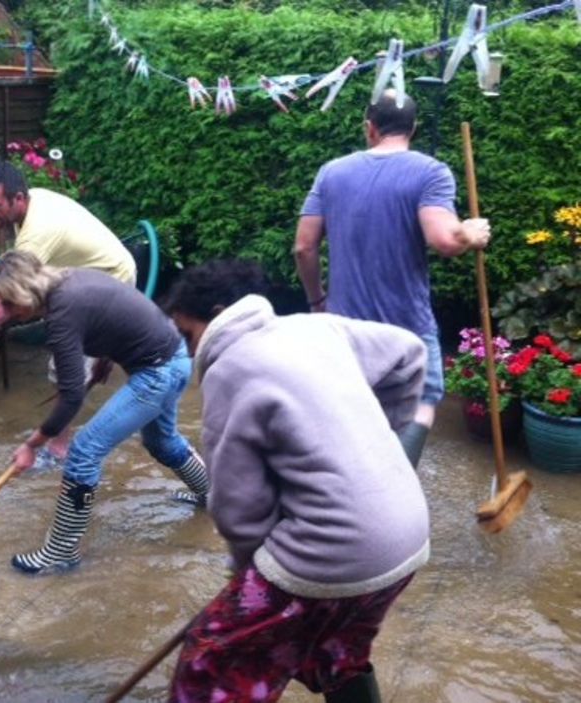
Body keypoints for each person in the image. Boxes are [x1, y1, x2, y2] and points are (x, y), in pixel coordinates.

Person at [164, 260, 430, 703]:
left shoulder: (228, 370)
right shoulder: (316, 328)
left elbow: (237, 504)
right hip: (408, 541)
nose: (190, 353)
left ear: (215, 314)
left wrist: (248, 573)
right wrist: (378, 433)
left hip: (331, 552)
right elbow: (409, 353)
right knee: (335, 649)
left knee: (209, 666)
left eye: (188, 335)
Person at [293, 89, 491, 466]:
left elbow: (303, 247)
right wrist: (469, 233)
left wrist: (318, 302)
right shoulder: (430, 172)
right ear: (413, 129)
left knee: (350, 410)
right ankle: (393, 489)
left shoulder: (332, 172)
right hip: (408, 327)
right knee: (423, 399)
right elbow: (444, 240)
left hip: (345, 327)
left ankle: (348, 491)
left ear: (370, 128)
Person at [0, 250, 207, 575]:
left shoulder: (61, 312)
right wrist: (108, 352)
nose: (6, 312)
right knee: (161, 442)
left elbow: (72, 395)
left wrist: (32, 444)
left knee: (84, 451)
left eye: (8, 303)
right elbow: (111, 313)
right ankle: (212, 495)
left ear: (25, 291)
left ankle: (61, 551)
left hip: (159, 370)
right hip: (173, 356)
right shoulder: (67, 281)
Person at [0, 160, 137, 457]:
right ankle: (68, 434)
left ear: (18, 198)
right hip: (93, 276)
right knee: (80, 368)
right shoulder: (36, 199)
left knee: (64, 366)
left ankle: (59, 450)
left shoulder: (38, 232)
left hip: (110, 281)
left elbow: (8, 304)